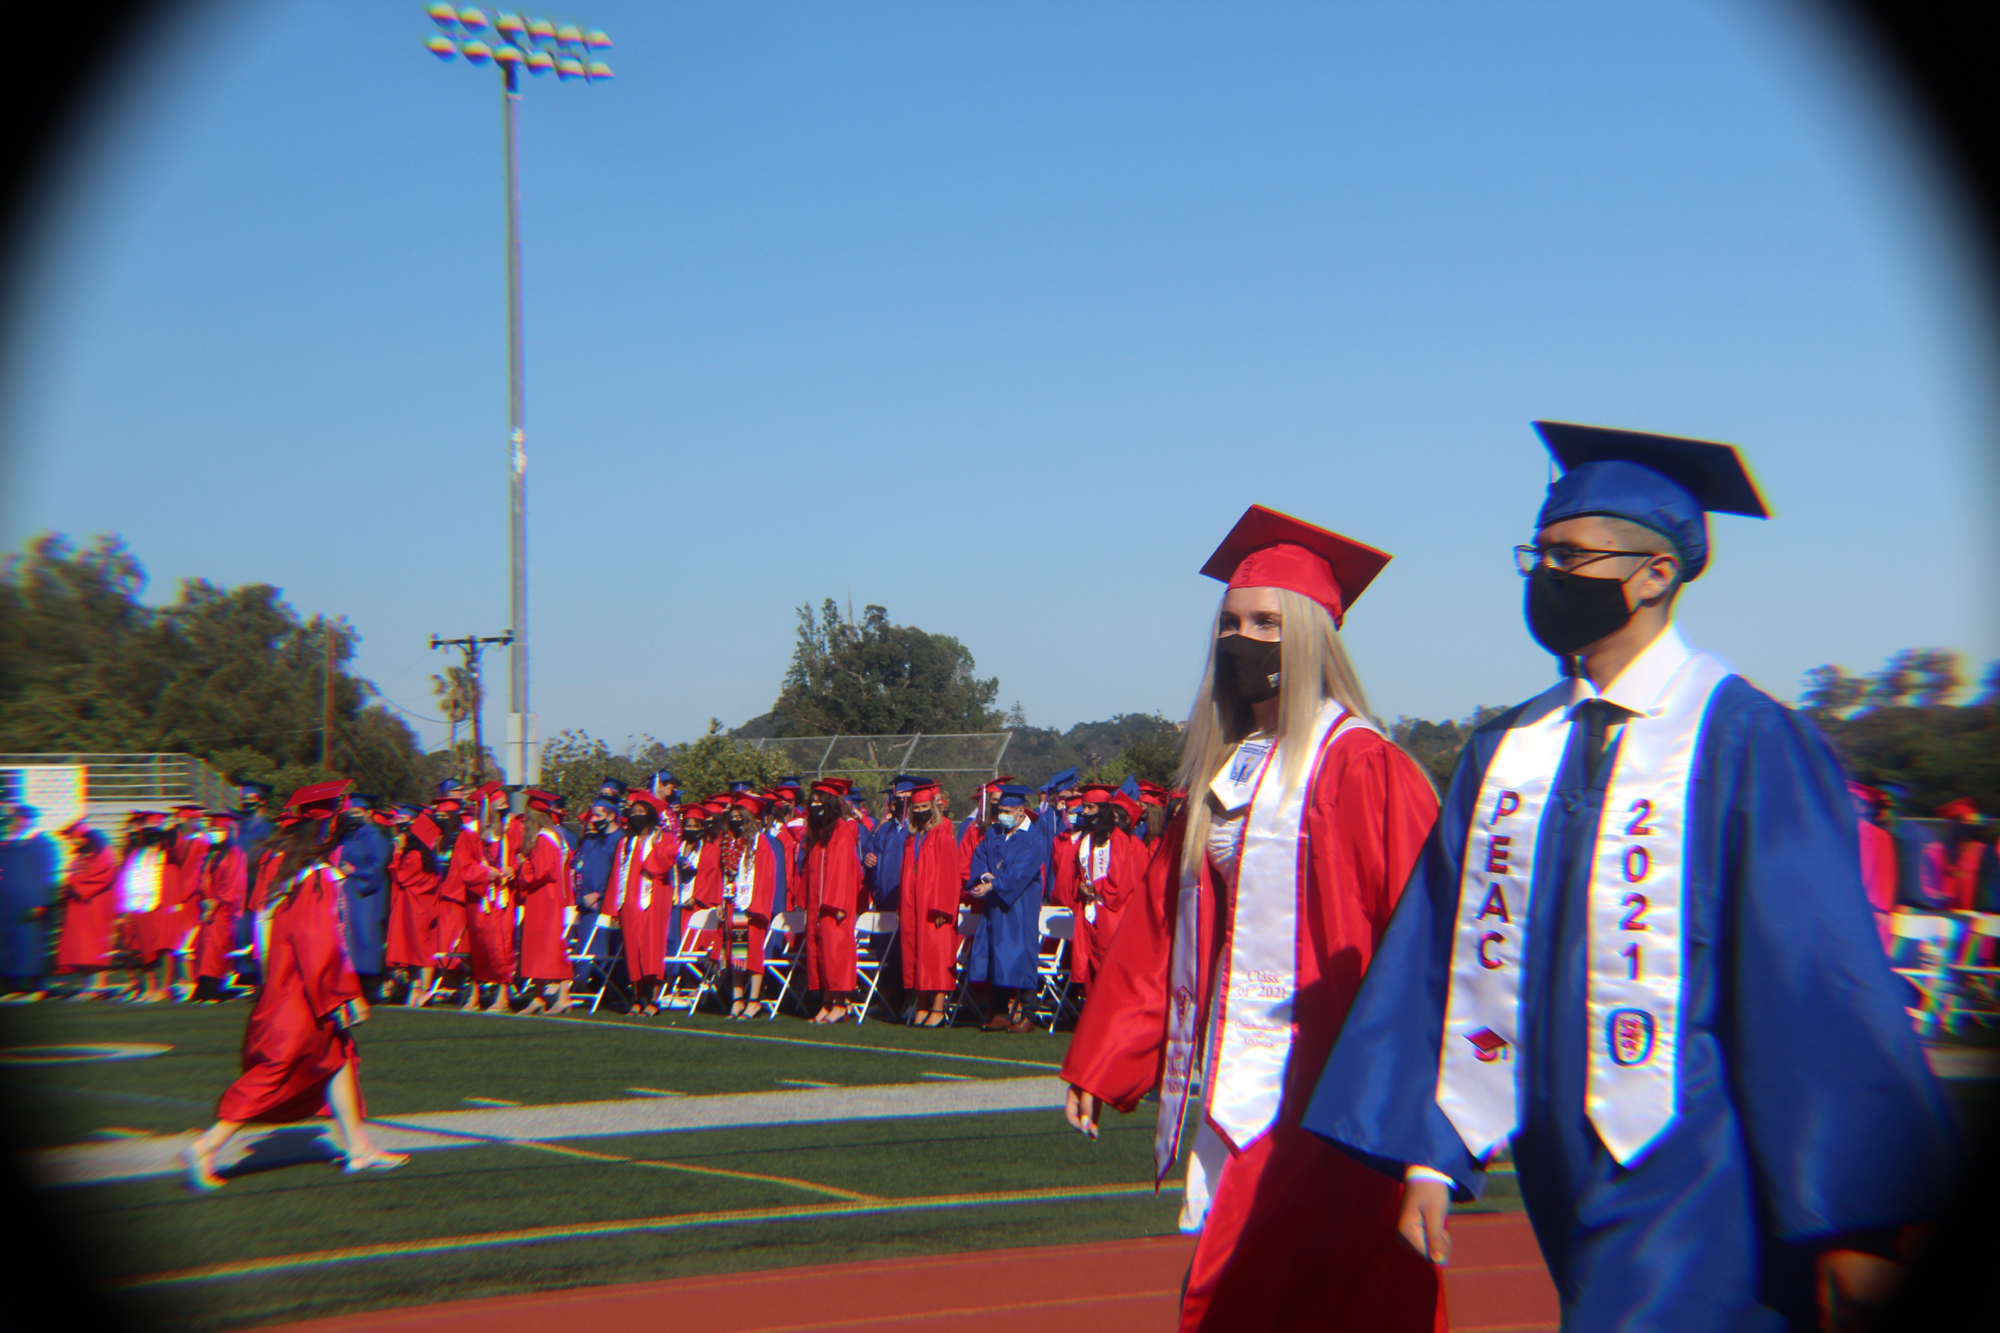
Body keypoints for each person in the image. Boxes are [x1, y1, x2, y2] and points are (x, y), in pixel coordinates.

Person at [1300, 424, 1960, 1333]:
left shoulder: (1744, 737)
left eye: (1573, 554)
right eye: (1539, 552)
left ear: (1657, 571)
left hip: (1693, 1138)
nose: (1547, 574)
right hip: (1552, 1146)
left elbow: (1813, 972)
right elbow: (1440, 950)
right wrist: (1431, 1152)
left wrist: (1859, 1208)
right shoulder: (1510, 749)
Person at [1058, 504, 1441, 1333]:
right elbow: (1166, 928)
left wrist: (1423, 1128)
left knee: (1255, 1296)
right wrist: (1105, 1056)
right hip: (1240, 1085)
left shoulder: (1368, 770)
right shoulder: (1223, 774)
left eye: (1267, 622)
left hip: (1336, 1090)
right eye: (1231, 622)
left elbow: (1422, 952)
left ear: (1311, 635)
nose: (1243, 638)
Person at [181, 780, 407, 1190]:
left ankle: (359, 1148)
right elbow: (318, 943)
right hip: (304, 996)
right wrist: (344, 995)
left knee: (339, 1058)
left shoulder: (288, 872)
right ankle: (206, 1145)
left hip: (290, 987)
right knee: (274, 1072)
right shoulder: (317, 877)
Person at [964, 784, 1051, 1032]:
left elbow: (1020, 874)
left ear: (1021, 811)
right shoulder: (995, 832)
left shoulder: (1034, 839)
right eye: (1000, 809)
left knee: (1022, 954)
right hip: (995, 905)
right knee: (995, 954)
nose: (1002, 814)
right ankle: (1001, 1010)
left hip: (1019, 906)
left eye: (1008, 810)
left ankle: (1029, 1013)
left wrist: (994, 885)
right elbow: (979, 858)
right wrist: (982, 880)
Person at [1057, 783, 1147, 994]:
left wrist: (1092, 888)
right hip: (1088, 911)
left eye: (1090, 808)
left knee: (1109, 962)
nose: (1085, 813)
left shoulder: (1119, 840)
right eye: (1084, 808)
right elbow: (1078, 873)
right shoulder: (1086, 839)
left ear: (1103, 810)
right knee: (1087, 960)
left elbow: (1120, 880)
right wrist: (1081, 887)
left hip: (1110, 911)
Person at [604, 789, 679, 1015]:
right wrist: (614, 908)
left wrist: (651, 856)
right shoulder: (625, 843)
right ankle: (637, 997)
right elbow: (617, 875)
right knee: (634, 950)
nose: (635, 815)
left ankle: (654, 1000)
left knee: (653, 949)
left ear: (649, 815)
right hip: (629, 903)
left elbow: (665, 861)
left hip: (654, 902)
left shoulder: (663, 839)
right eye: (633, 811)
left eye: (640, 811)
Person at [896, 780, 963, 1027]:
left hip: (934, 907)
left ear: (933, 808)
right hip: (914, 905)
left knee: (936, 955)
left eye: (925, 806)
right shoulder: (913, 837)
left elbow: (948, 874)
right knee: (918, 954)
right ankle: (921, 1005)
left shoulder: (942, 834)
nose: (921, 810)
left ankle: (938, 1006)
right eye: (916, 806)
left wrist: (941, 908)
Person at [716, 792, 788, 1019]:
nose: (735, 820)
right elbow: (727, 875)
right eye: (733, 816)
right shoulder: (730, 843)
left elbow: (767, 879)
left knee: (754, 955)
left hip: (753, 908)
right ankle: (737, 1000)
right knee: (737, 955)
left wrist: (756, 907)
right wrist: (722, 900)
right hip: (735, 905)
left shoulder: (762, 844)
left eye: (740, 816)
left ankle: (754, 1000)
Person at [799, 779, 863, 1023]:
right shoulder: (819, 833)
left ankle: (841, 1004)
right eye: (812, 801)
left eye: (819, 801)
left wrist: (836, 905)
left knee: (836, 954)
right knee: (822, 954)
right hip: (818, 906)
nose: (814, 806)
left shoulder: (841, 832)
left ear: (830, 805)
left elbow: (844, 871)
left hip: (835, 906)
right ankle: (826, 1003)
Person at [507, 789, 573, 1014]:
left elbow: (540, 873)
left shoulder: (545, 839)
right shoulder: (554, 836)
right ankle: (538, 997)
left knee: (552, 948)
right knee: (540, 949)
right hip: (548, 898)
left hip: (547, 899)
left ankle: (563, 996)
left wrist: (521, 866)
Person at [334, 795, 393, 1001]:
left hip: (369, 894)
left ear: (369, 813)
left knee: (367, 938)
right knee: (351, 938)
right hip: (350, 894)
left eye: (357, 813)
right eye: (351, 813)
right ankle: (353, 986)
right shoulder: (351, 836)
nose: (353, 817)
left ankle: (370, 987)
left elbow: (377, 867)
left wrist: (354, 871)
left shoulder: (376, 837)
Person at [53, 820, 120, 994]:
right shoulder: (81, 855)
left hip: (95, 904)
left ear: (84, 837)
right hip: (80, 906)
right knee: (80, 946)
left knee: (94, 946)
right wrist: (68, 886)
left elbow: (103, 874)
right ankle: (86, 985)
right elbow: (72, 875)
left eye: (73, 838)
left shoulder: (104, 852)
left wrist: (76, 886)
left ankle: (97, 984)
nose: (71, 842)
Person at [0, 803, 59, 996]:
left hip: (31, 903)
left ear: (26, 820)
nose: (11, 823)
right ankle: (16, 984)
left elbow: (46, 875)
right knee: (12, 943)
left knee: (32, 942)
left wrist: (41, 902)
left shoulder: (41, 843)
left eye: (15, 819)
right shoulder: (10, 843)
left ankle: (37, 984)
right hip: (9, 904)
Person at [190, 811, 250, 1001]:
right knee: (205, 949)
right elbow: (203, 879)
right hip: (210, 909)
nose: (214, 832)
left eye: (218, 829)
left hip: (225, 910)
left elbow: (233, 885)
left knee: (216, 949)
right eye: (212, 829)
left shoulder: (235, 855)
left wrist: (214, 903)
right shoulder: (210, 854)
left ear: (227, 831)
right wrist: (205, 901)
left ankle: (213, 987)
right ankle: (204, 986)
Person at [385, 812, 444, 1004]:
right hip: (426, 907)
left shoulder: (413, 856)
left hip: (414, 909)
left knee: (418, 949)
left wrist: (397, 852)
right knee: (423, 948)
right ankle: (419, 987)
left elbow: (400, 877)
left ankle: (422, 989)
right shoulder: (429, 858)